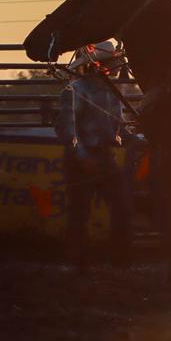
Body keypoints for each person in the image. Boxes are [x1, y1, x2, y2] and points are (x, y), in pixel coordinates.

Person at [57, 41, 133, 269]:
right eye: (111, 63)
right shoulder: (76, 90)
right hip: (83, 158)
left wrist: (136, 139)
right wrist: (82, 156)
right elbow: (67, 129)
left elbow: (118, 128)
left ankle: (118, 260)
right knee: (80, 212)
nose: (115, 67)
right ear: (98, 65)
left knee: (121, 207)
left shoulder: (111, 92)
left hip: (102, 155)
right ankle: (80, 263)